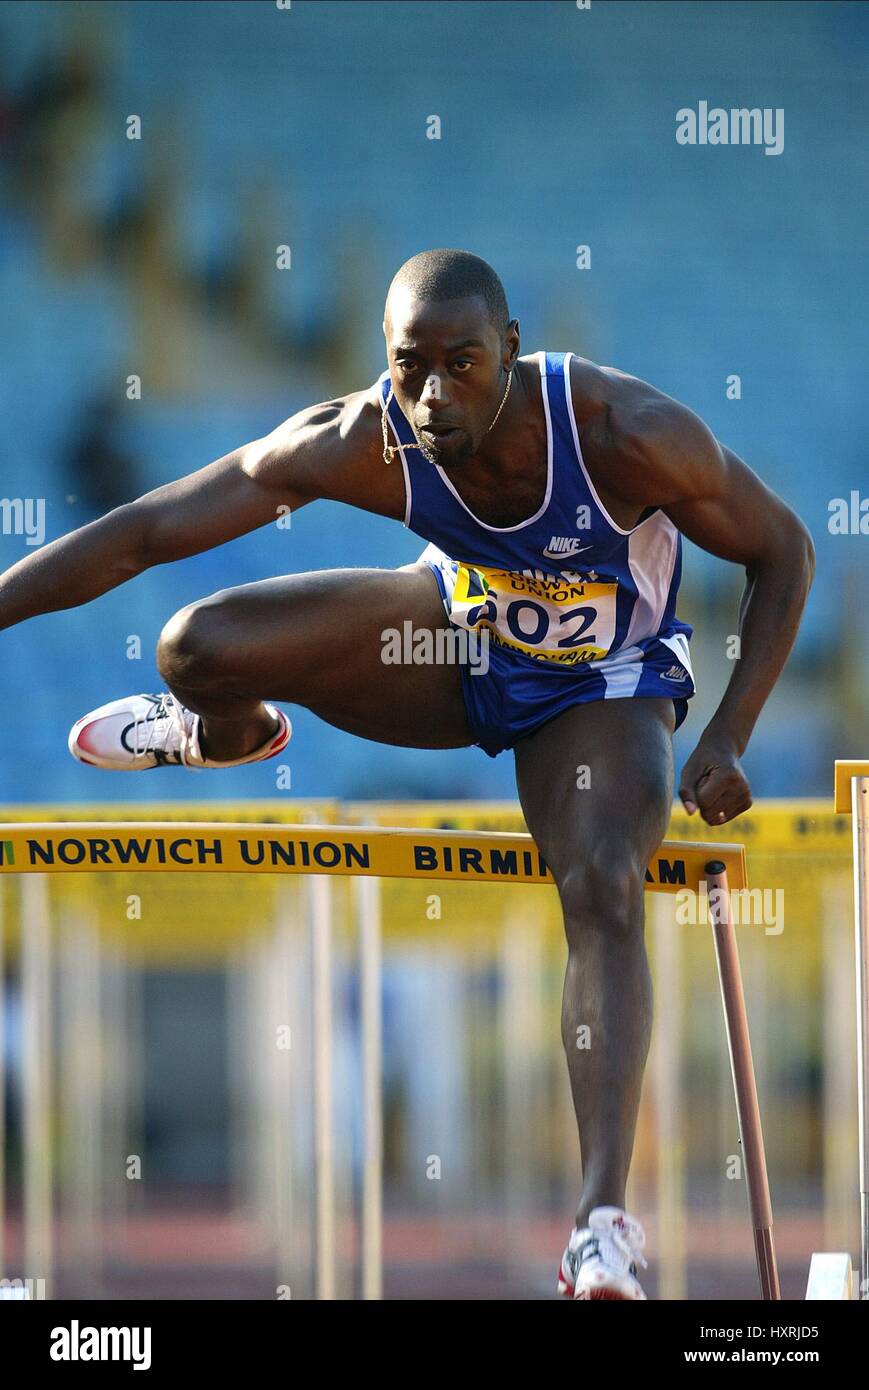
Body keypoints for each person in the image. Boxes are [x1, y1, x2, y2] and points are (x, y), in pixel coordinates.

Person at [0, 248, 814, 1298]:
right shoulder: (367, 436)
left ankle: (598, 1227)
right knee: (194, 646)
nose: (431, 396)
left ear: (510, 352)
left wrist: (730, 733)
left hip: (601, 690)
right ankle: (228, 732)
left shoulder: (621, 434)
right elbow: (150, 529)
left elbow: (783, 548)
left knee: (605, 880)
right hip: (454, 650)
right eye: (408, 366)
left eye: (460, 365)